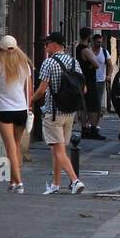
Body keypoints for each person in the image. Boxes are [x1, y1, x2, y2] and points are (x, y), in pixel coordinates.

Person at [32, 31, 85, 195]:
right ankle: (55, 184)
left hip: (53, 112)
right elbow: (83, 88)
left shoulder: (49, 63)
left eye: (47, 44)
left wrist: (30, 101)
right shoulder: (74, 62)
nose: (46, 47)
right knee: (57, 149)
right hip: (69, 113)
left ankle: (75, 181)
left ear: (55, 45)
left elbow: (41, 90)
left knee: (58, 150)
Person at [0, 35, 32, 193]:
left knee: (10, 148)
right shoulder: (24, 65)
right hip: (21, 109)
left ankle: (19, 182)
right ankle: (13, 182)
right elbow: (29, 89)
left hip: (4, 110)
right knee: (16, 146)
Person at [75, 27, 102, 139]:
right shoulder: (86, 50)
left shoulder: (77, 48)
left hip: (82, 80)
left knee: (83, 105)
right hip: (89, 81)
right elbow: (96, 64)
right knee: (93, 106)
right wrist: (91, 65)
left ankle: (84, 128)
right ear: (89, 36)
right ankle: (93, 129)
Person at [86, 32, 109, 139]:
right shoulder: (88, 51)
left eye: (101, 42)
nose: (99, 44)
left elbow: (110, 64)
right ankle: (88, 124)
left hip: (100, 81)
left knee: (98, 104)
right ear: (93, 41)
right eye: (98, 42)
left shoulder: (104, 52)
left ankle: (95, 124)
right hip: (89, 80)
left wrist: (108, 75)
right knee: (88, 103)